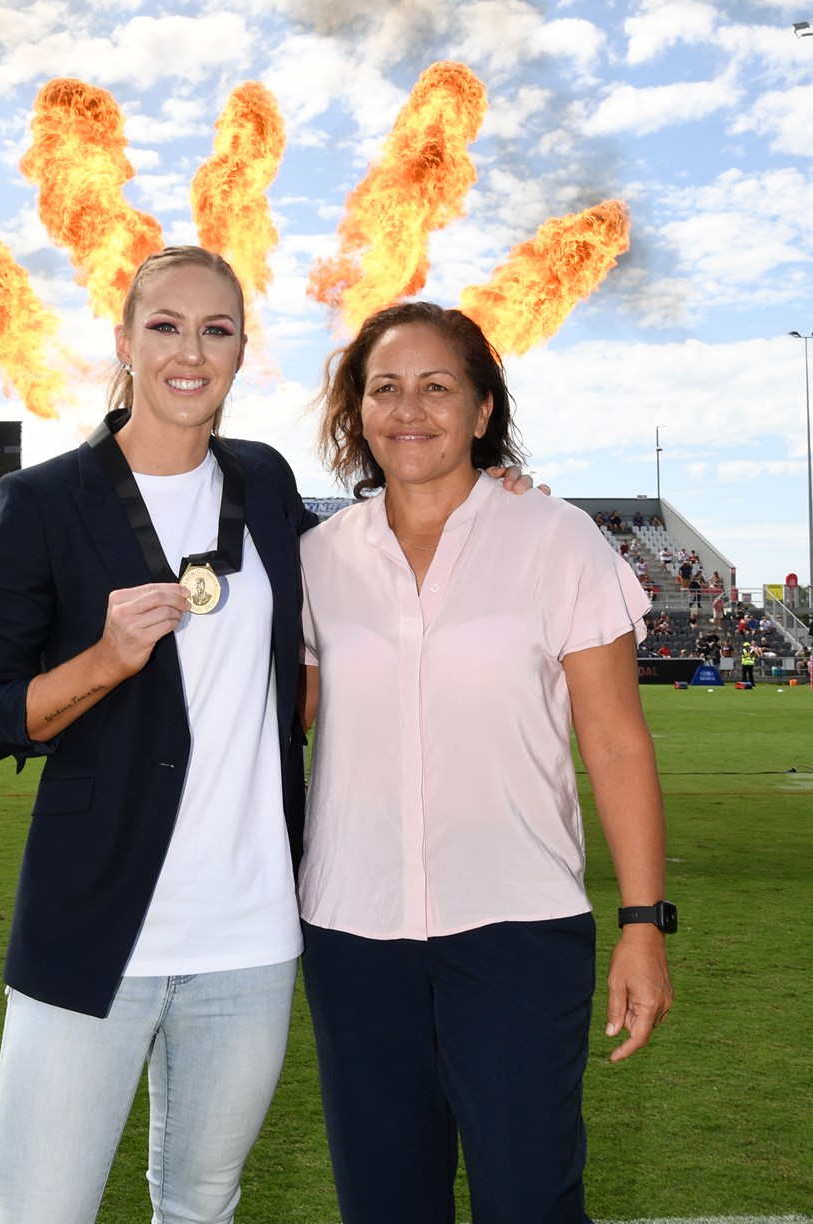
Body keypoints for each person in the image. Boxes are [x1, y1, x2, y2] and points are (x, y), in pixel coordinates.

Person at [0, 246, 318, 1224]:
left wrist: (491, 491)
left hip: (250, 939)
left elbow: (335, 609)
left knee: (201, 1207)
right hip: (93, 929)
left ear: (241, 351)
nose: (190, 351)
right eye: (165, 326)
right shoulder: (46, 502)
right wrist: (104, 663)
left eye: (217, 328)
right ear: (124, 341)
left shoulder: (267, 483)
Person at [297, 302, 673, 1224]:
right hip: (352, 936)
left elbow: (617, 739)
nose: (410, 409)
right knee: (384, 1205)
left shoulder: (556, 538)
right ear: (357, 412)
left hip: (516, 931)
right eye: (385, 388)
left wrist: (643, 921)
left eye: (438, 387)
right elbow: (277, 722)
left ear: (481, 408)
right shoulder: (314, 558)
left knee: (529, 1203)